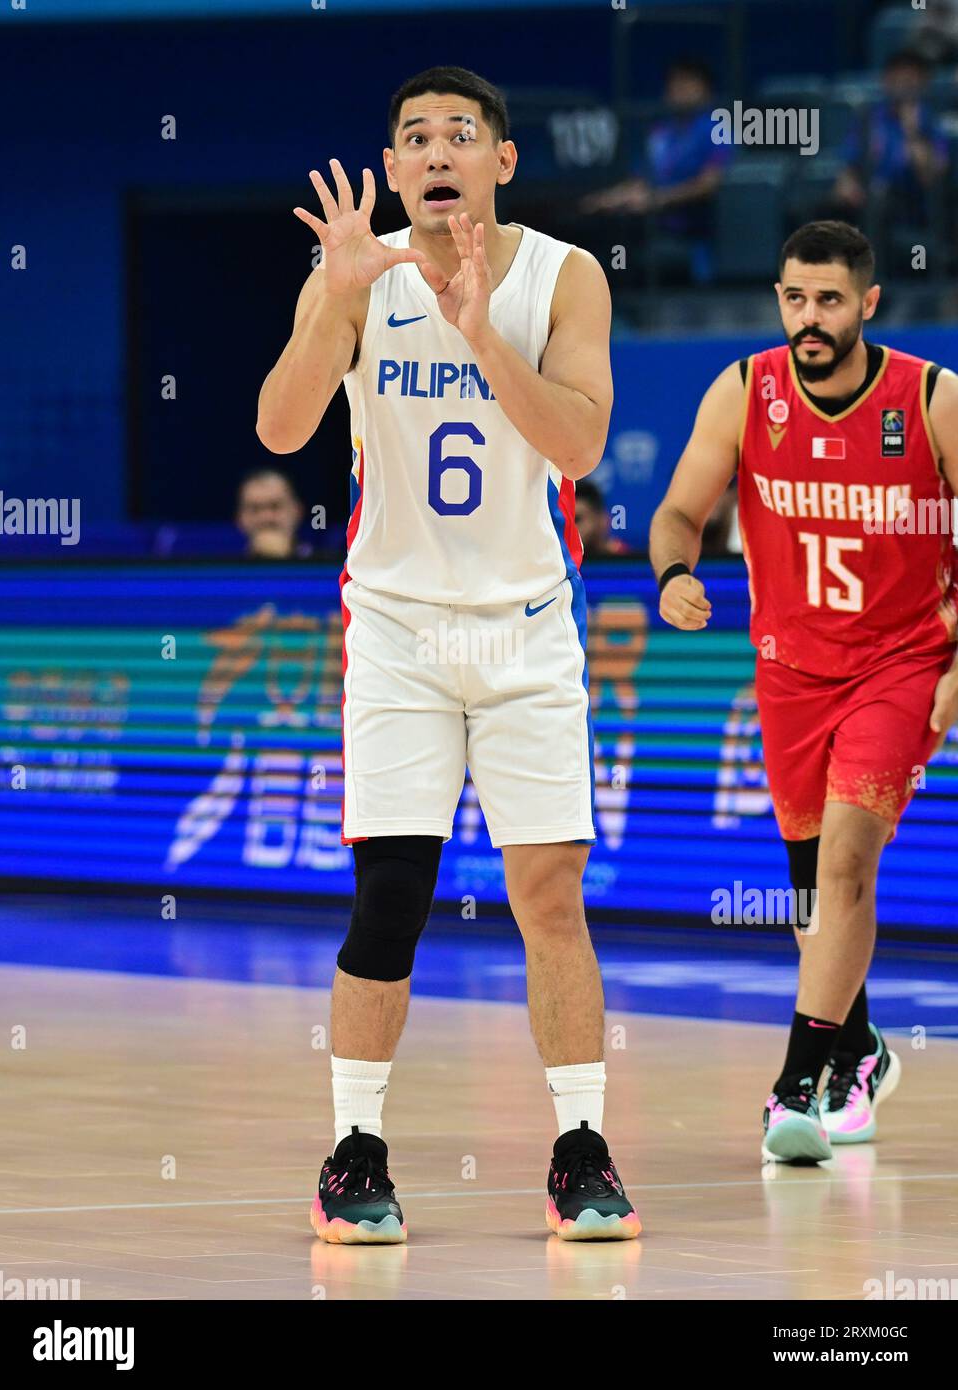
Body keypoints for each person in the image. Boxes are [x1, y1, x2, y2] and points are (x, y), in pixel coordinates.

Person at [257, 66, 640, 1242]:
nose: (436, 151)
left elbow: (578, 445)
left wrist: (481, 335)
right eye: (414, 136)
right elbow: (280, 426)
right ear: (393, 168)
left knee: (550, 896)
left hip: (527, 629)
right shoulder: (360, 275)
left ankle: (580, 1146)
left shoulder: (564, 275)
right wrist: (331, 296)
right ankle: (354, 1151)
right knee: (392, 897)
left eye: (458, 134)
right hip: (400, 635)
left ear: (501, 161)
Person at [649, 220, 958, 1164]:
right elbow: (676, 509)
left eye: (828, 300)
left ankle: (795, 1086)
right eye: (794, 298)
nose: (809, 317)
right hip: (788, 670)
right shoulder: (744, 391)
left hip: (900, 660)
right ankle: (858, 1051)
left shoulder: (933, 398)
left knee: (848, 867)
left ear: (868, 302)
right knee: (806, 889)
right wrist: (671, 575)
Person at [580, 59, 730, 284]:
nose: (679, 90)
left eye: (688, 83)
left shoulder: (718, 128)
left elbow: (709, 184)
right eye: (674, 83)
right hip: (649, 220)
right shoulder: (661, 132)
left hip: (692, 226)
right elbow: (641, 180)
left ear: (706, 90)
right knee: (592, 223)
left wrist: (657, 200)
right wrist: (608, 200)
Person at [832, 52, 947, 230]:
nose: (902, 86)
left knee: (879, 203)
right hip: (865, 200)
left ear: (923, 83)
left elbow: (929, 179)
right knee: (810, 208)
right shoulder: (868, 119)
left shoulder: (931, 125)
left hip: (910, 207)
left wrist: (912, 132)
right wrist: (847, 184)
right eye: (896, 78)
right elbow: (849, 166)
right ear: (885, 81)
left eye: (909, 80)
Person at [235, 468, 311, 558]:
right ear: (239, 518)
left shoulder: (325, 566)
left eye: (275, 506)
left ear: (298, 512)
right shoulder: (224, 569)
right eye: (255, 509)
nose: (266, 518)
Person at [574, 480, 633, 557]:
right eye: (565, 520)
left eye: (577, 519)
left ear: (602, 520)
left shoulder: (624, 560)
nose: (569, 527)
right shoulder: (557, 560)